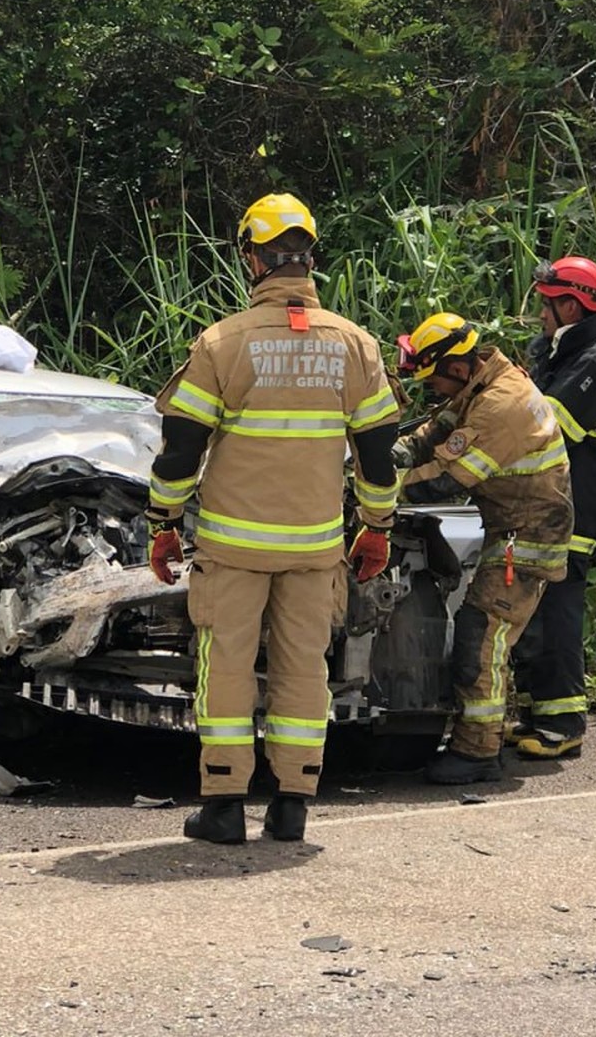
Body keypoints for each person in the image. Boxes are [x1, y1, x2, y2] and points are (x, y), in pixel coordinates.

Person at [146, 193, 400, 844]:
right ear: (309, 258)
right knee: (303, 669)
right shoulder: (356, 346)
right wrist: (377, 527)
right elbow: (377, 453)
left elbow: (180, 451)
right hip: (315, 549)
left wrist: (162, 521)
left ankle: (225, 806)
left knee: (226, 666)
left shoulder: (222, 344)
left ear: (251, 258)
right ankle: (293, 805)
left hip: (232, 547)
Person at [395, 312, 572, 784]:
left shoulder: (500, 405)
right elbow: (436, 433)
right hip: (514, 528)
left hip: (527, 537)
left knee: (481, 635)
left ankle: (477, 752)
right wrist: (388, 454)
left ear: (455, 366)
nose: (430, 387)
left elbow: (447, 480)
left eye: (431, 376)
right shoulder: (481, 381)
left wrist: (376, 488)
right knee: (490, 635)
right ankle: (483, 735)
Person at [509, 257, 596, 760]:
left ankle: (563, 724)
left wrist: (513, 396)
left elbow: (549, 427)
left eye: (547, 303)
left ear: (572, 304)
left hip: (574, 510)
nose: (541, 314)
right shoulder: (566, 356)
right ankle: (540, 713)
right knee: (536, 610)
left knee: (558, 610)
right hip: (553, 506)